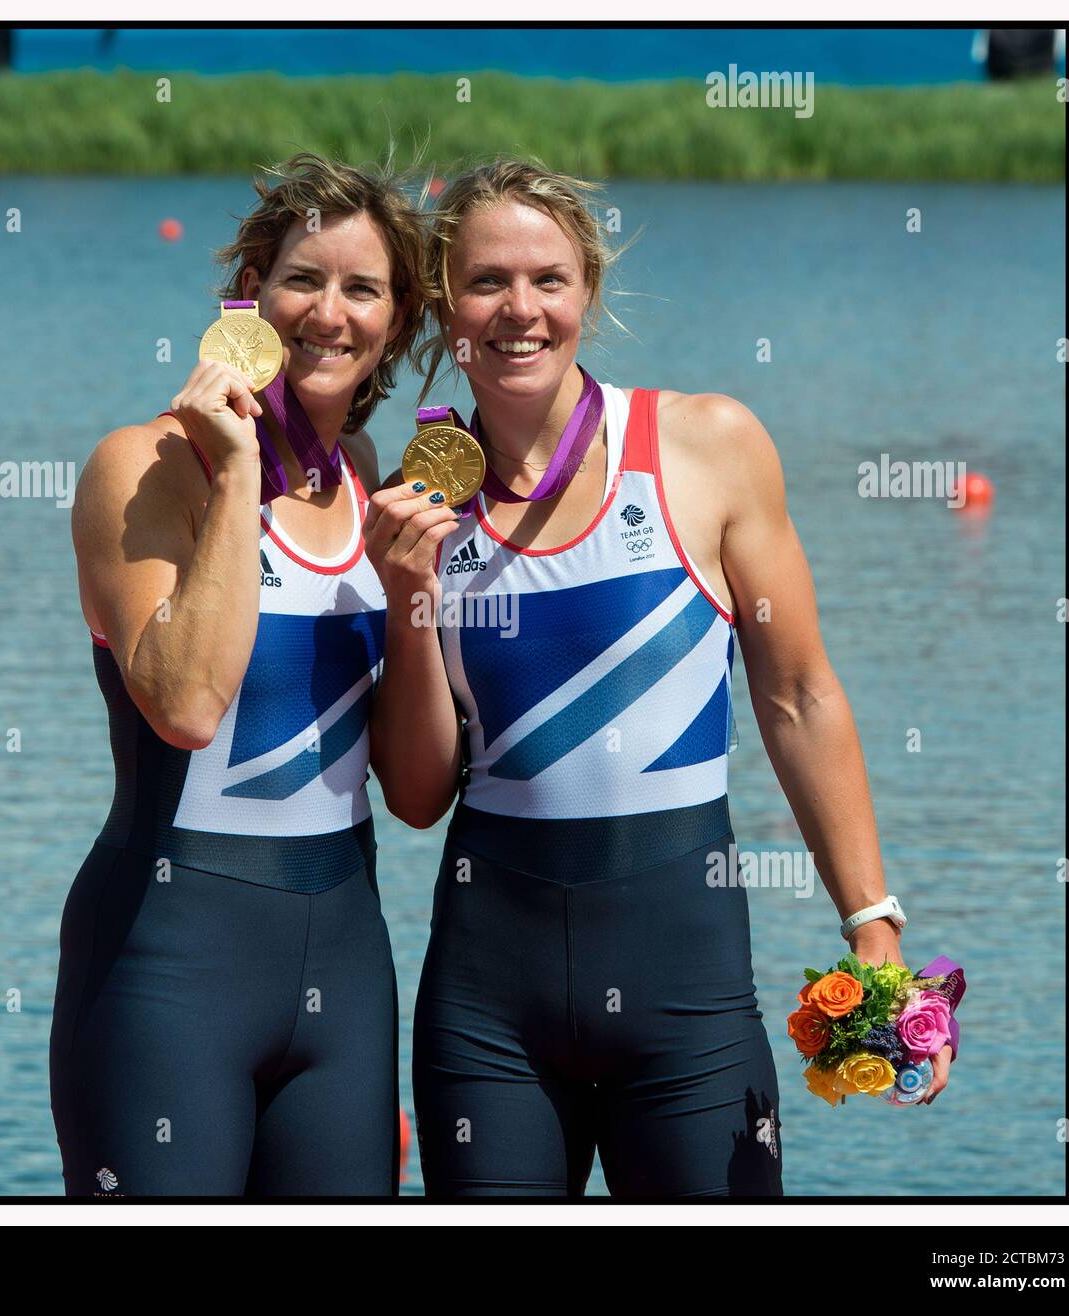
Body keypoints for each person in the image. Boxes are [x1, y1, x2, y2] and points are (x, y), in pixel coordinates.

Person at [363, 158, 953, 1198]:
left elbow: (798, 695)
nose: (520, 309)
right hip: (487, 1013)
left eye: (548, 278)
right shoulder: (411, 502)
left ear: (587, 287)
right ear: (443, 306)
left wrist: (873, 924)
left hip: (690, 1000)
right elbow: (414, 798)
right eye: (485, 281)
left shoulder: (705, 447)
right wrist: (405, 597)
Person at [50, 153, 427, 1197]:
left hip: (346, 968)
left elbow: (412, 787)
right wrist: (243, 473)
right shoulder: (144, 465)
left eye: (364, 289)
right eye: (302, 278)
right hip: (166, 965)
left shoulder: (367, 474)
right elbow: (184, 702)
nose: (329, 312)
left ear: (394, 322)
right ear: (249, 295)